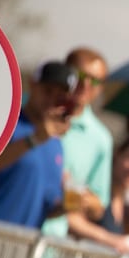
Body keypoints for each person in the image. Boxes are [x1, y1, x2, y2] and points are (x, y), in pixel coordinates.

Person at [0, 61, 77, 228]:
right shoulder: (6, 122)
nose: (52, 100)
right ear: (33, 85)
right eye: (48, 91)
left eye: (60, 97)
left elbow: (46, 205)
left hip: (20, 246)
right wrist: (34, 139)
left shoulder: (56, 144)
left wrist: (68, 206)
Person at [42, 47, 114, 242]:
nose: (86, 84)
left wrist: (79, 197)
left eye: (95, 80)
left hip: (51, 241)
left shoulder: (101, 138)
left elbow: (99, 206)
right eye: (80, 75)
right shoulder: (31, 111)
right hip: (4, 222)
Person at [81, 137, 129, 253]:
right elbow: (71, 220)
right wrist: (111, 240)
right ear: (117, 154)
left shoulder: (125, 204)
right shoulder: (94, 188)